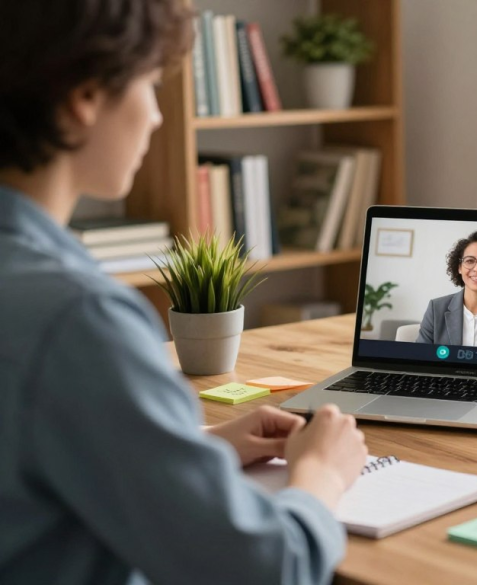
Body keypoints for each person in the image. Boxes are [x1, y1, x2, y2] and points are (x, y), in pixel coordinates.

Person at [0, 2, 368, 583]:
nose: (155, 118)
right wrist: (322, 474)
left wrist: (193, 448)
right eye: (150, 85)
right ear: (86, 99)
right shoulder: (78, 319)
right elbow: (265, 569)